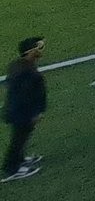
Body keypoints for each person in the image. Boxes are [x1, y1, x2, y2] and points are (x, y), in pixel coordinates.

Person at [3, 38, 45, 182]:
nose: (40, 50)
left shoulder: (21, 66)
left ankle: (19, 159)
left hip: (17, 110)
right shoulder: (26, 70)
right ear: (30, 51)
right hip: (21, 112)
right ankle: (12, 168)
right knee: (18, 139)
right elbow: (26, 95)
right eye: (38, 47)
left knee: (22, 137)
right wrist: (34, 112)